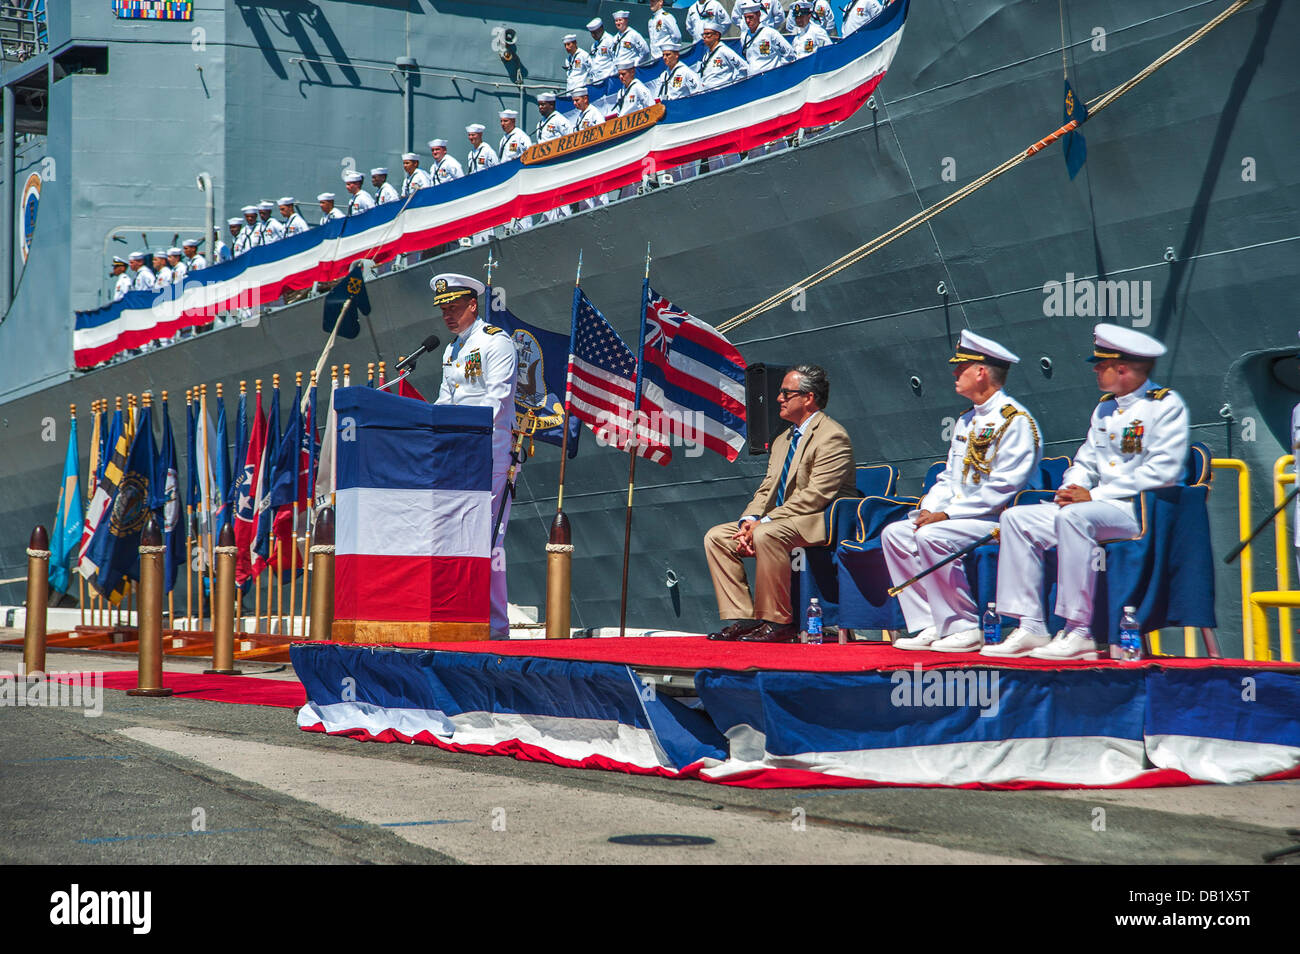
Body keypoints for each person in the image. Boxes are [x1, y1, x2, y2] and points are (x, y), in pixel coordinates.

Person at [992, 324, 1189, 660]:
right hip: (1096, 507)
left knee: (1073, 517)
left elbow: (1163, 472)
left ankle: (1079, 630)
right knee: (1016, 519)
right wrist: (1074, 485)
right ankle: (1031, 625)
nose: (1096, 370)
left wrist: (1094, 497)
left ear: (1122, 368)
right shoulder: (1105, 409)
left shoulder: (1165, 406)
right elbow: (1085, 459)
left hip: (1137, 510)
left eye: (1101, 364)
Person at [884, 331, 1042, 652]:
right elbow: (949, 478)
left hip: (998, 521)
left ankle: (964, 625)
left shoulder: (1015, 421)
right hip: (960, 518)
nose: (955, 373)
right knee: (896, 534)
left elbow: (1005, 486)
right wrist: (928, 510)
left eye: (961, 367)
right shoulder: (967, 421)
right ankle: (929, 622)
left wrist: (947, 515)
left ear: (981, 372)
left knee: (932, 536)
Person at [703, 364, 858, 643]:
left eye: (786, 393)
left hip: (819, 521)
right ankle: (745, 618)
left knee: (766, 533)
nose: (778, 399)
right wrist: (748, 521)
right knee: (717, 537)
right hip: (781, 521)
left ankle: (776, 622)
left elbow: (816, 496)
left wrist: (763, 524)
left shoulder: (832, 436)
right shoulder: (782, 441)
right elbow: (766, 489)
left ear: (808, 398)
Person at [432, 272, 519, 639]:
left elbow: (495, 402)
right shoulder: (452, 349)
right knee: (460, 540)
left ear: (473, 304)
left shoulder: (495, 343)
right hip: (458, 454)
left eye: (454, 308)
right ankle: (463, 620)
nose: (448, 316)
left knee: (489, 542)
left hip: (489, 454)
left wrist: (459, 432)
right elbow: (444, 399)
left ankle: (496, 629)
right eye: (443, 310)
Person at [738, 1, 795, 75]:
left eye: (750, 17)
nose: (748, 21)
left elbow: (789, 53)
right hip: (753, 78)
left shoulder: (770, 33)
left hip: (770, 77)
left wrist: (779, 71)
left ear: (758, 14)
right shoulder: (744, 36)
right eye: (745, 18)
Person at [698, 23, 747, 91]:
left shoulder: (724, 51)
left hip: (722, 91)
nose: (704, 37)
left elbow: (744, 67)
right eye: (703, 34)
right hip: (708, 92)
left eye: (708, 34)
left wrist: (734, 84)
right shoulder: (706, 54)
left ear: (717, 35)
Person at [614, 51, 655, 116]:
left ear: (632, 72)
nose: (621, 77)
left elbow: (650, 104)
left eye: (623, 74)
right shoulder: (620, 92)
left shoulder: (638, 87)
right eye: (619, 74)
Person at [587, 17, 618, 87]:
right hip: (596, 81)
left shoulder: (610, 41)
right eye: (591, 33)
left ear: (601, 29)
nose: (593, 35)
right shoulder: (594, 45)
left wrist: (612, 76)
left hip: (607, 80)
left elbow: (616, 59)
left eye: (595, 32)